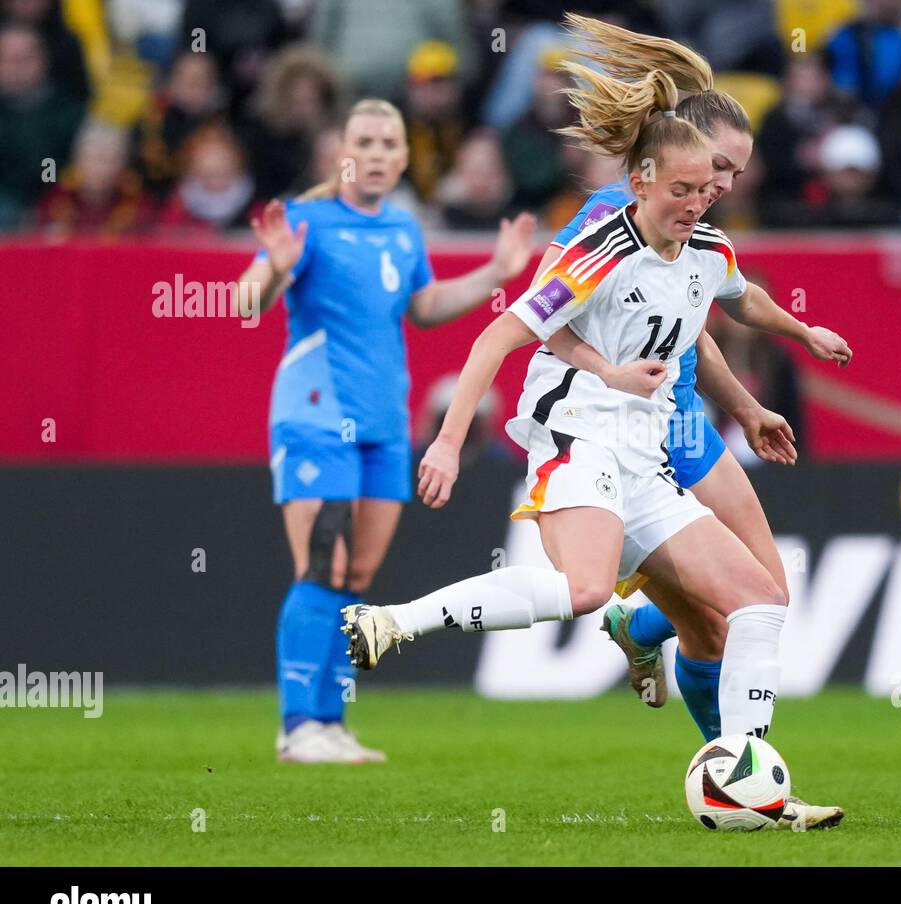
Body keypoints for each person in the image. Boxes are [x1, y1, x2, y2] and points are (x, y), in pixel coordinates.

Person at [341, 55, 843, 829]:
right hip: (579, 434)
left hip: (650, 451)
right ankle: (394, 622)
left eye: (710, 187)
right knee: (582, 589)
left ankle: (749, 782)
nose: (704, 198)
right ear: (642, 180)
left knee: (760, 603)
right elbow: (501, 336)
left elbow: (738, 301)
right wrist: (446, 442)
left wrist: (802, 333)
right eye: (689, 185)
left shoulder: (707, 247)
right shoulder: (598, 245)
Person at [525, 16, 851, 752]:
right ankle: (737, 767)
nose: (731, 185)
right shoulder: (614, 218)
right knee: (732, 612)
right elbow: (543, 319)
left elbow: (687, 325)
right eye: (723, 168)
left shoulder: (688, 222)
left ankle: (640, 629)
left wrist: (744, 404)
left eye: (736, 172)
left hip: (685, 425)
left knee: (761, 599)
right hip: (630, 434)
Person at [237, 98, 536, 763]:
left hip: (383, 425)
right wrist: (277, 266)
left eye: (387, 144)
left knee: (358, 573)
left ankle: (332, 723)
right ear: (339, 152)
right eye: (363, 141)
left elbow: (424, 307)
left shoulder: (402, 229)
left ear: (404, 158)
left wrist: (494, 273)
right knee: (323, 564)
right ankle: (297, 727)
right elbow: (243, 299)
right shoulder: (306, 222)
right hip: (315, 414)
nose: (375, 154)